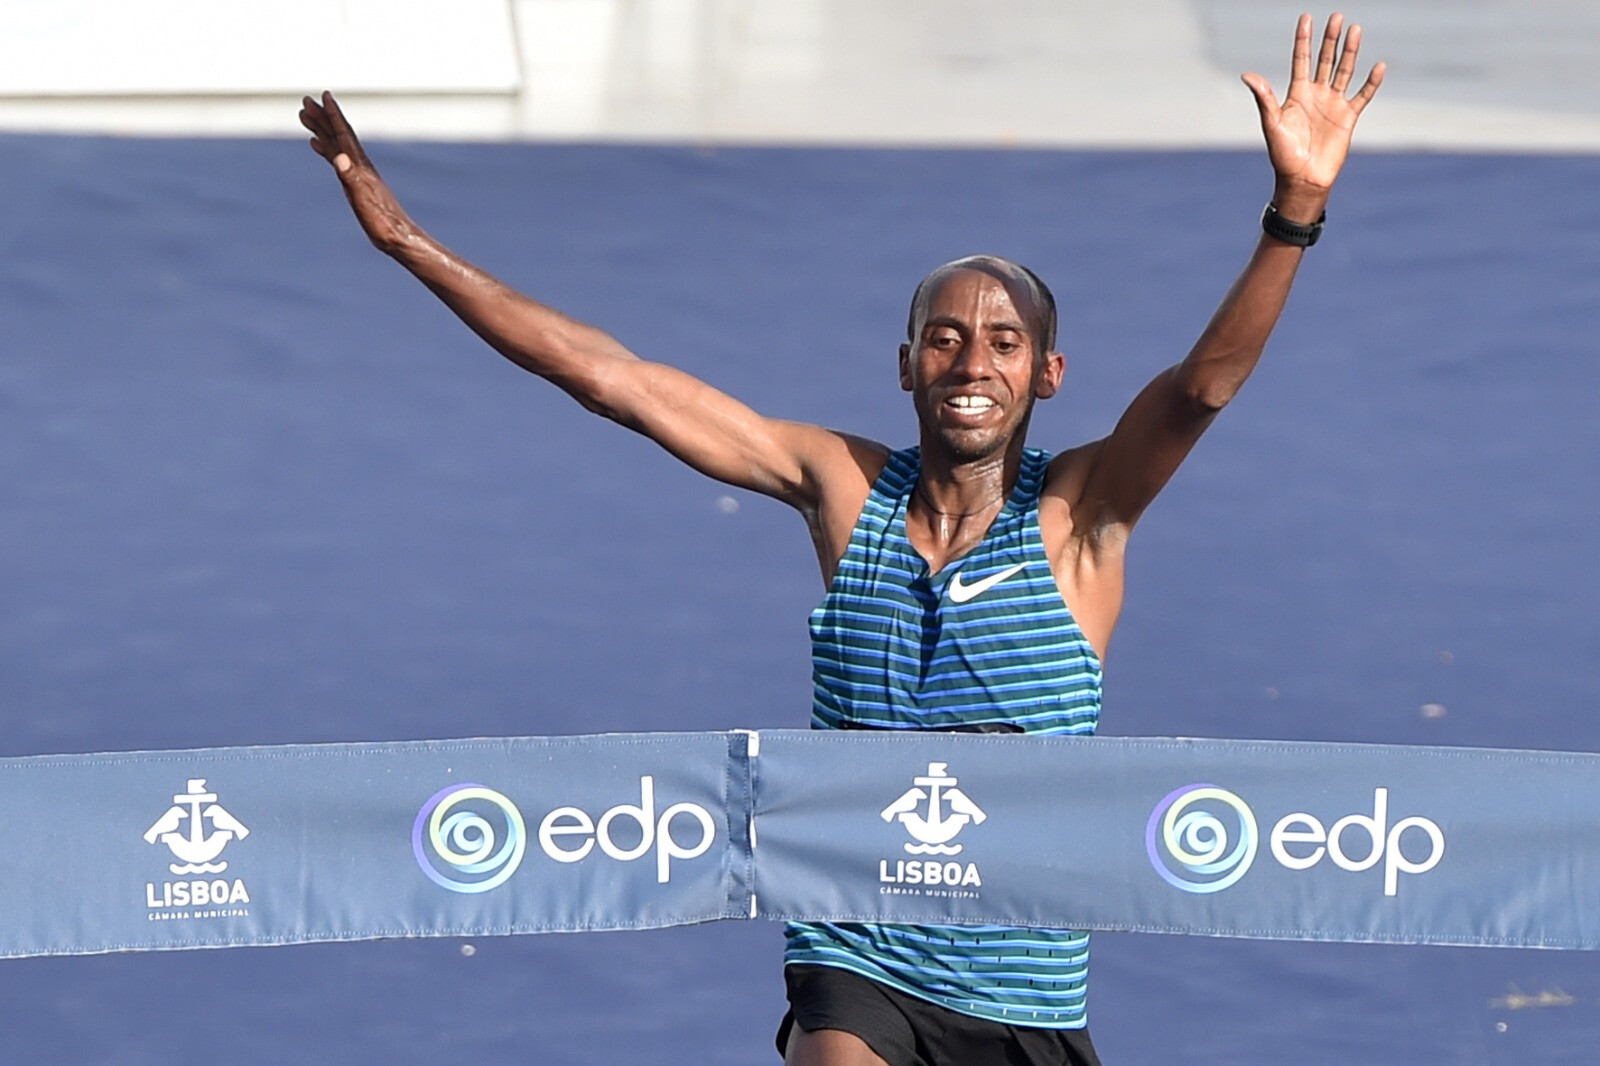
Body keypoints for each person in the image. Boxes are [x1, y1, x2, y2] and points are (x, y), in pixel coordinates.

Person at [301, 12, 1382, 1066]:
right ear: (905, 362)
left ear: (1047, 377)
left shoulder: (1079, 514)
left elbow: (1198, 390)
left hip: (1025, 986)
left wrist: (1293, 211)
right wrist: (407, 243)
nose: (972, 363)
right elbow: (613, 380)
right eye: (945, 339)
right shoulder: (842, 487)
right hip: (855, 945)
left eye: (1004, 343)